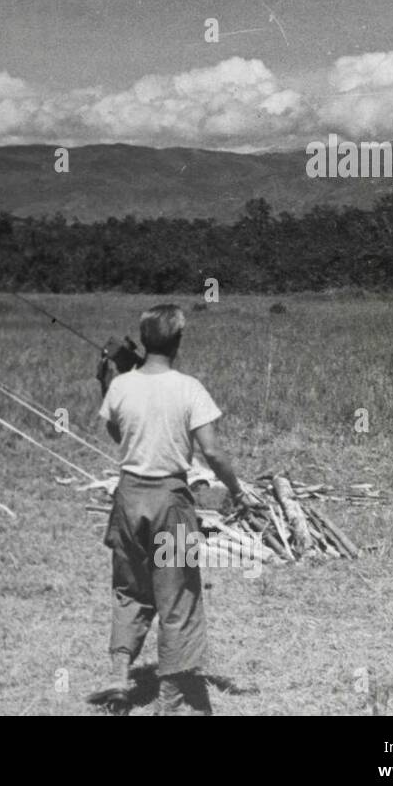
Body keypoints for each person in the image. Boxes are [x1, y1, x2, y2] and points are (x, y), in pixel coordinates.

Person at [91, 304, 247, 716]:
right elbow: (211, 450)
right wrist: (237, 489)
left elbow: (115, 430)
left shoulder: (121, 386)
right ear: (178, 341)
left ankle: (119, 674)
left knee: (130, 590)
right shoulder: (189, 388)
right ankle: (170, 701)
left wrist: (110, 381)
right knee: (177, 598)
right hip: (170, 503)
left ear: (143, 339)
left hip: (128, 500)